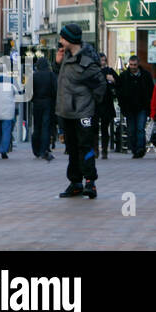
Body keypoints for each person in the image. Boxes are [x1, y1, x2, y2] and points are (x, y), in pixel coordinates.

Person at [54, 23, 107, 199]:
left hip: (83, 112)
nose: (60, 41)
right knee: (72, 148)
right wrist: (57, 64)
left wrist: (91, 106)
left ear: (70, 39)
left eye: (62, 38)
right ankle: (75, 182)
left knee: (85, 146)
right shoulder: (66, 57)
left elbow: (100, 85)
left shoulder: (86, 61)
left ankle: (90, 182)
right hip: (67, 112)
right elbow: (62, 81)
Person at [117, 55, 154, 157]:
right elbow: (119, 92)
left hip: (142, 107)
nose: (133, 67)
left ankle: (140, 149)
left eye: (135, 65)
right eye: (131, 64)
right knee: (131, 130)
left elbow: (151, 91)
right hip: (129, 108)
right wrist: (122, 106)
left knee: (140, 129)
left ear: (138, 64)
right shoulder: (124, 76)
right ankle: (134, 149)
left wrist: (149, 106)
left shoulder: (145, 75)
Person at [30, 56, 56, 161]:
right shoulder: (51, 75)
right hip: (48, 103)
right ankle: (44, 149)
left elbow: (29, 92)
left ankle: (36, 149)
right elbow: (55, 89)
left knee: (37, 127)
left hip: (37, 103)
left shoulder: (34, 76)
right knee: (46, 127)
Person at [97, 61, 118, 157]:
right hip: (95, 103)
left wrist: (113, 81)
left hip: (106, 103)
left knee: (105, 128)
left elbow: (118, 83)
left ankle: (104, 150)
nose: (102, 62)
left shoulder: (110, 71)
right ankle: (95, 149)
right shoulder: (93, 71)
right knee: (94, 128)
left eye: (104, 60)